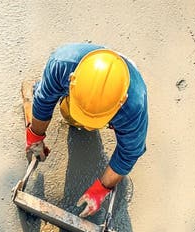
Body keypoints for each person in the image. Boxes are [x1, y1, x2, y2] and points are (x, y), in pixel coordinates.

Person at [25, 43, 149, 217]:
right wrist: (34, 136)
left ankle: (86, 116)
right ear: (71, 78)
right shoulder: (61, 63)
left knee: (123, 139)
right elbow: (44, 100)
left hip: (124, 93)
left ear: (122, 101)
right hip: (75, 78)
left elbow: (129, 152)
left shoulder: (134, 107)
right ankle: (74, 112)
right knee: (63, 109)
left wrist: (102, 188)